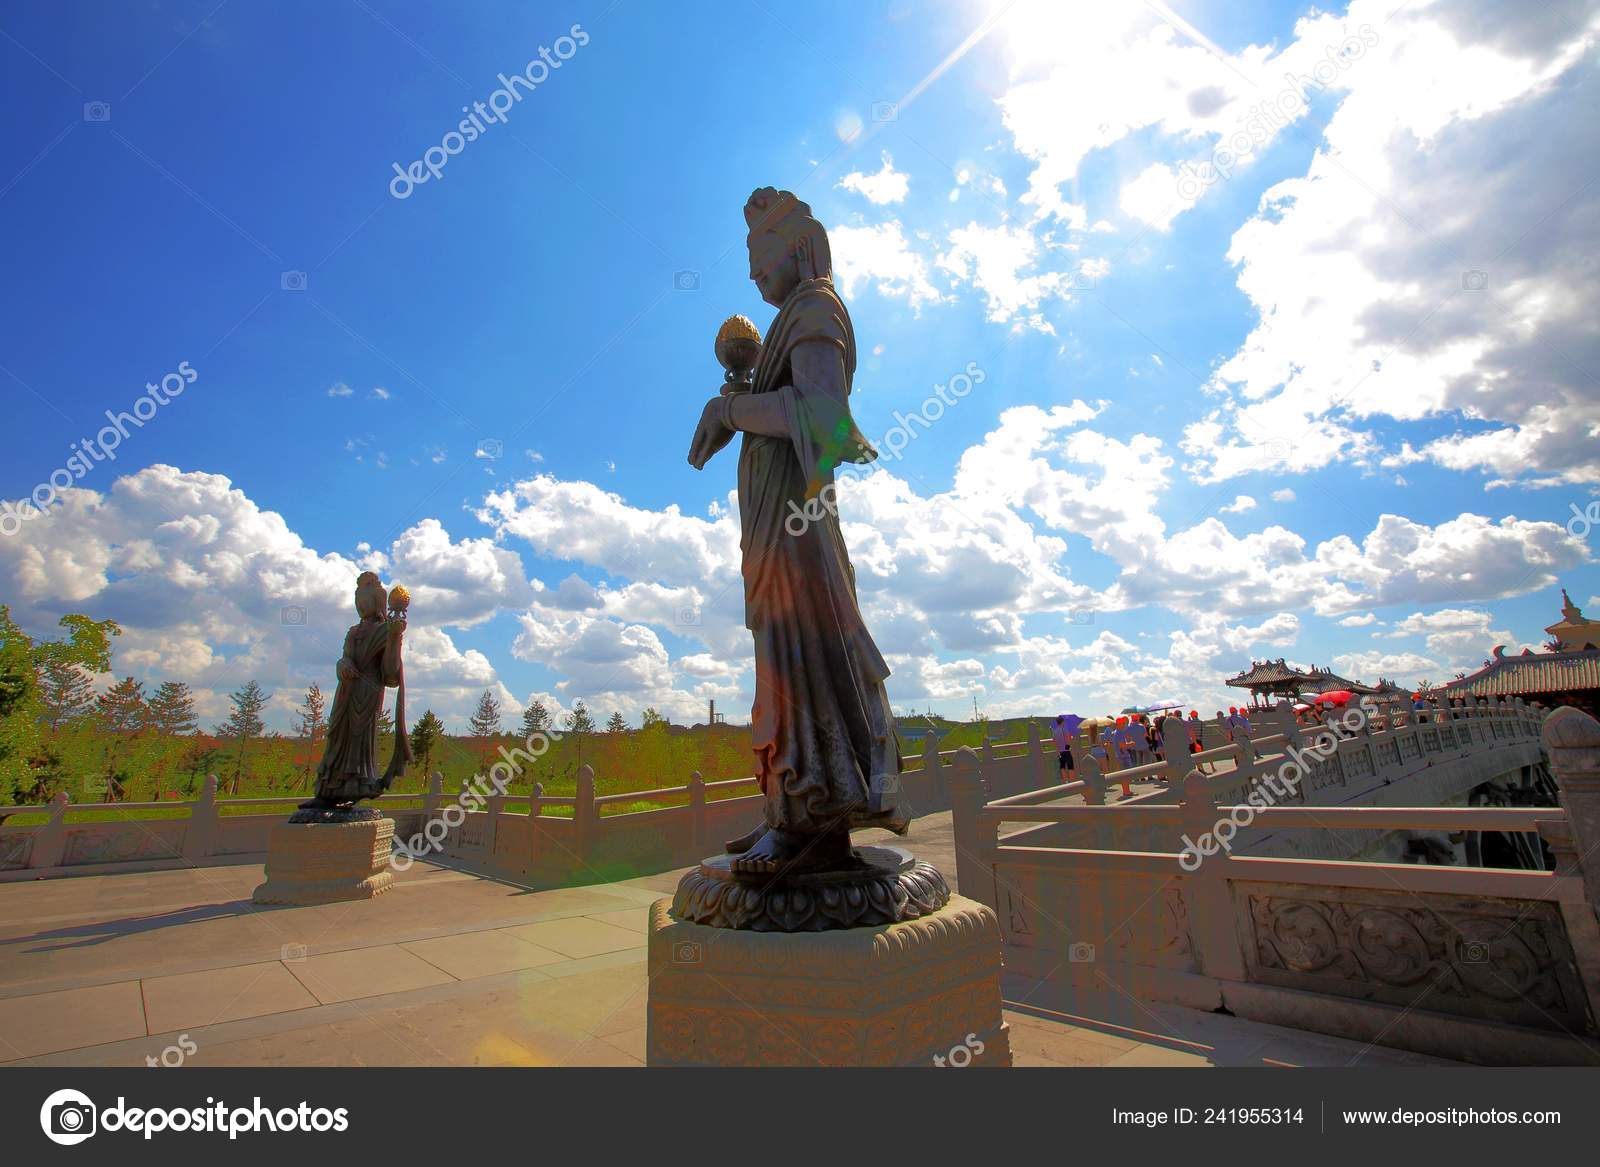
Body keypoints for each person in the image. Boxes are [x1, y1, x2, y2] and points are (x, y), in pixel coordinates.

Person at [687, 187, 906, 874]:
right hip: (772, 530)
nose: (753, 277)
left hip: (799, 528)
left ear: (794, 248)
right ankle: (789, 806)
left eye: (759, 258)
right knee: (779, 655)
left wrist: (731, 411)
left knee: (802, 652)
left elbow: (822, 417)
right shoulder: (789, 320)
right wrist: (735, 408)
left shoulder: (816, 308)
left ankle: (816, 811)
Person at [1050, 713, 1076, 783]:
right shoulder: (1065, 730)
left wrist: (1058, 751)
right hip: (1066, 750)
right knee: (1070, 766)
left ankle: (1064, 781)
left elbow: (1054, 742)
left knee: (1062, 766)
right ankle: (1072, 781)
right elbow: (1068, 740)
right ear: (1062, 722)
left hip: (1060, 752)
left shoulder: (1054, 731)